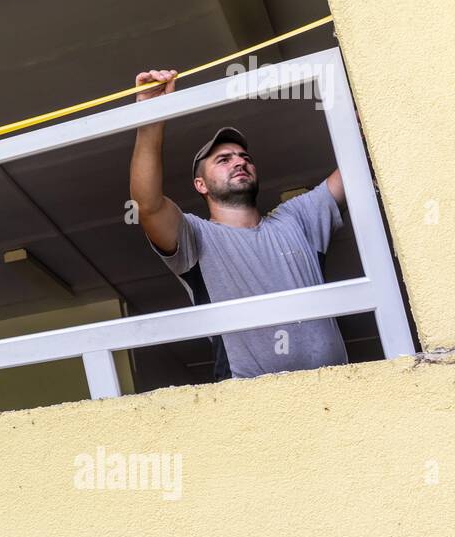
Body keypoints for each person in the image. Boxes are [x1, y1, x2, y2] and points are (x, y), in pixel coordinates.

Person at [128, 70, 349, 380]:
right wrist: (150, 118)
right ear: (200, 184)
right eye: (223, 159)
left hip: (342, 390)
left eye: (244, 156)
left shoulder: (296, 218)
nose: (239, 161)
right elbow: (147, 204)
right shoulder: (196, 236)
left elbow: (352, 169)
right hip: (251, 404)